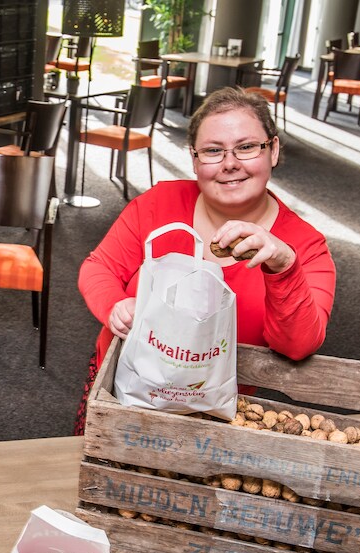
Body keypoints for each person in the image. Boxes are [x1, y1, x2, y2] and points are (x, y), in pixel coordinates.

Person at [75, 87, 336, 434]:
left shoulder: (305, 245)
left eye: (246, 147)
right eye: (213, 151)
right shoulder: (158, 203)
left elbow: (299, 345)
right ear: (195, 159)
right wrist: (115, 305)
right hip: (124, 388)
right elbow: (99, 267)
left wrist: (283, 265)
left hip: (214, 413)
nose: (230, 163)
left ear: (272, 150)